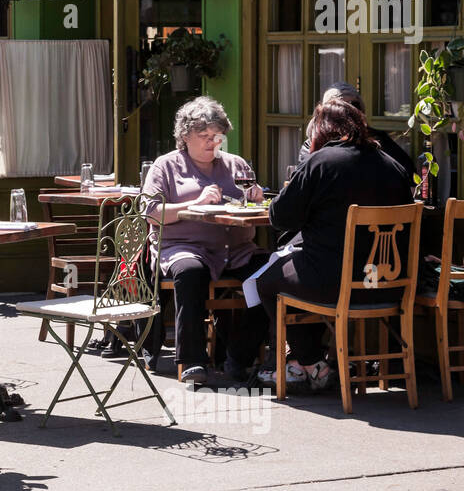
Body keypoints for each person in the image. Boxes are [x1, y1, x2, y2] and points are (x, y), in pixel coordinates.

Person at [250, 99, 413, 392]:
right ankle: (308, 364)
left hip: (334, 284)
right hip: (387, 284)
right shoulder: (393, 165)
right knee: (299, 271)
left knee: (267, 281)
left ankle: (310, 361)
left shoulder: (321, 162)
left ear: (321, 131)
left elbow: (280, 217)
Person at [141, 96, 271, 387]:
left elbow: (252, 203)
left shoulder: (235, 165)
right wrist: (193, 205)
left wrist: (256, 198)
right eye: (204, 136)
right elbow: (151, 212)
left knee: (272, 274)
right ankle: (192, 361)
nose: (212, 143)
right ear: (185, 136)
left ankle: (239, 355)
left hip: (236, 249)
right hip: (184, 246)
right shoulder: (166, 167)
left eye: (217, 136)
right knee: (190, 273)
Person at [296, 82, 416, 181]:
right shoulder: (313, 144)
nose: (348, 114)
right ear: (328, 114)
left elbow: (409, 175)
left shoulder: (377, 139)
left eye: (355, 106)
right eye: (341, 108)